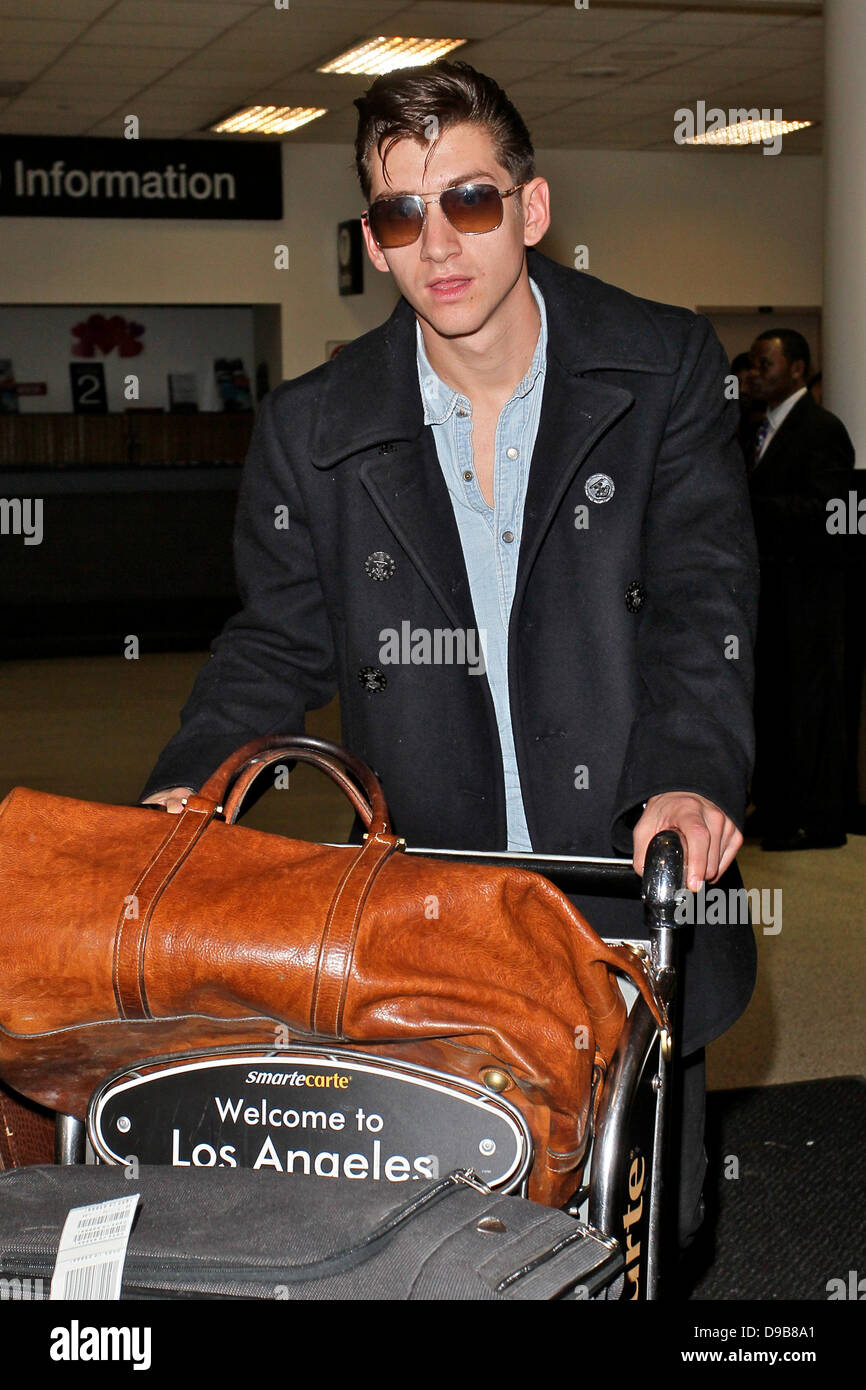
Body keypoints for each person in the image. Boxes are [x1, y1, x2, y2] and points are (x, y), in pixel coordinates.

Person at [138, 61, 759, 1253]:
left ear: (529, 209)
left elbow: (699, 597)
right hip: (433, 911)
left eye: (470, 201)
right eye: (399, 214)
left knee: (644, 1232)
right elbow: (273, 638)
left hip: (627, 895)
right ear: (371, 241)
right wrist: (198, 781)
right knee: (453, 1238)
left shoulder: (664, 364)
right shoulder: (314, 426)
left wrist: (690, 773)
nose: (439, 243)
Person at [747, 329, 856, 850]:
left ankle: (816, 819)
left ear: (796, 369)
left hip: (809, 597)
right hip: (768, 595)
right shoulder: (754, 429)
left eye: (766, 363)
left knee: (808, 708)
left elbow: (830, 513)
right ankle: (775, 811)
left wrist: (752, 509)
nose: (756, 372)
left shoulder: (821, 428)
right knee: (771, 707)